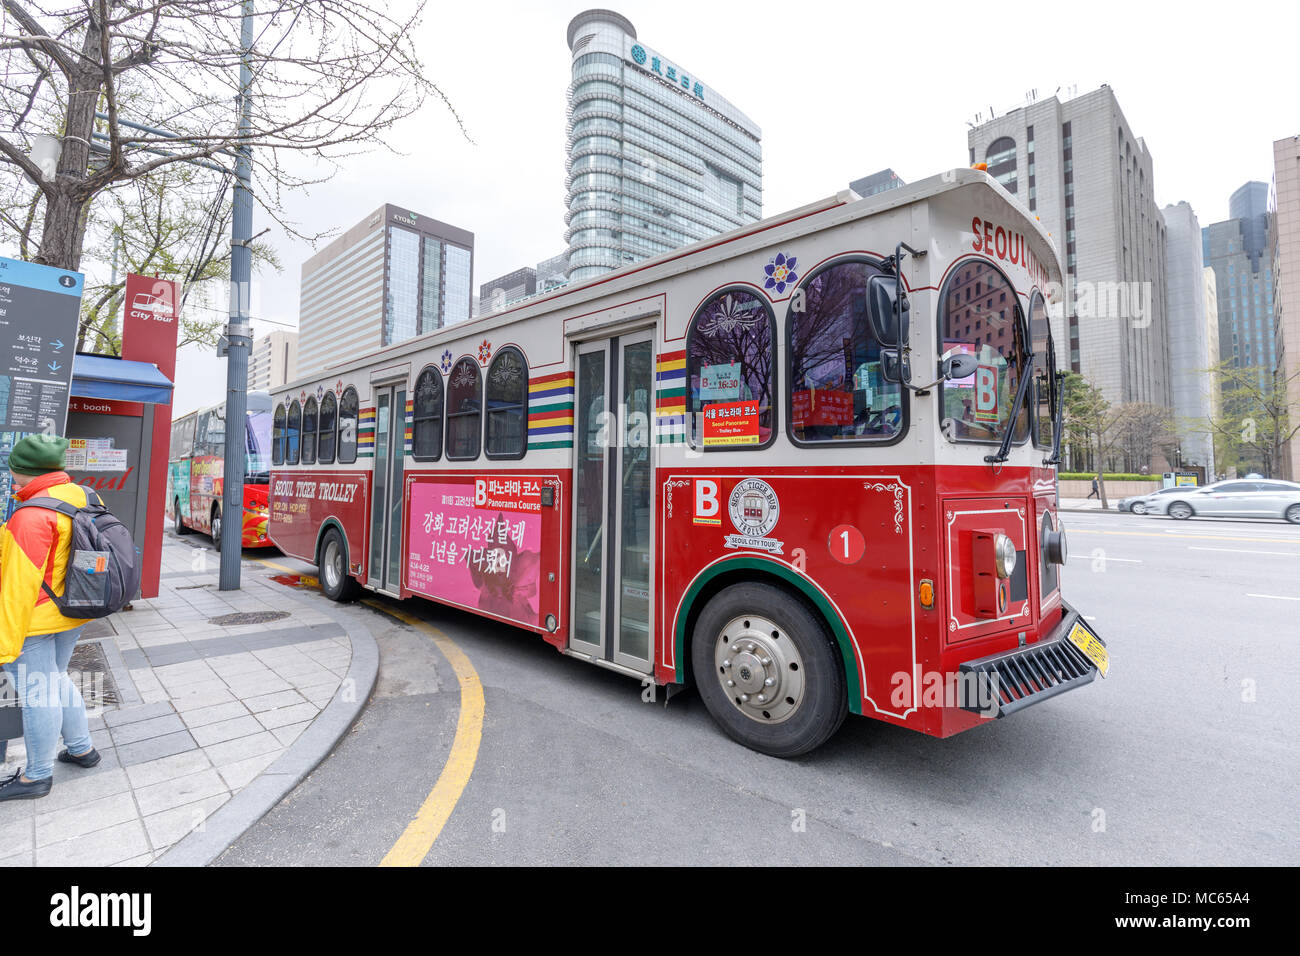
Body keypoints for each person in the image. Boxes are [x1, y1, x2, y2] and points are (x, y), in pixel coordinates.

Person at [0, 435, 99, 801]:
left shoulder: (30, 516)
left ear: (24, 472)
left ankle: (36, 776)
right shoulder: (83, 495)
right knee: (56, 679)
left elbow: (16, 588)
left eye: (14, 472)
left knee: (37, 693)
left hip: (37, 618)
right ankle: (81, 748)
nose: (11, 478)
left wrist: (5, 643)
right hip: (74, 610)